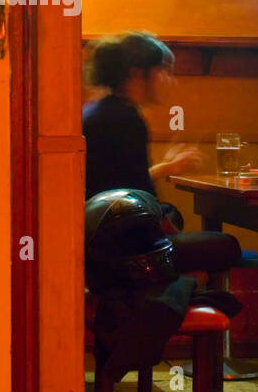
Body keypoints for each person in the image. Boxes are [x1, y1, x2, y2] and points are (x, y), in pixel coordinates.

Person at [82, 31, 243, 279]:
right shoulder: (127, 119)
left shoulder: (99, 111)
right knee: (227, 245)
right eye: (164, 70)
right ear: (137, 73)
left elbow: (117, 184)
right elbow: (138, 207)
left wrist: (166, 168)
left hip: (98, 242)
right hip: (125, 252)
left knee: (173, 214)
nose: (170, 80)